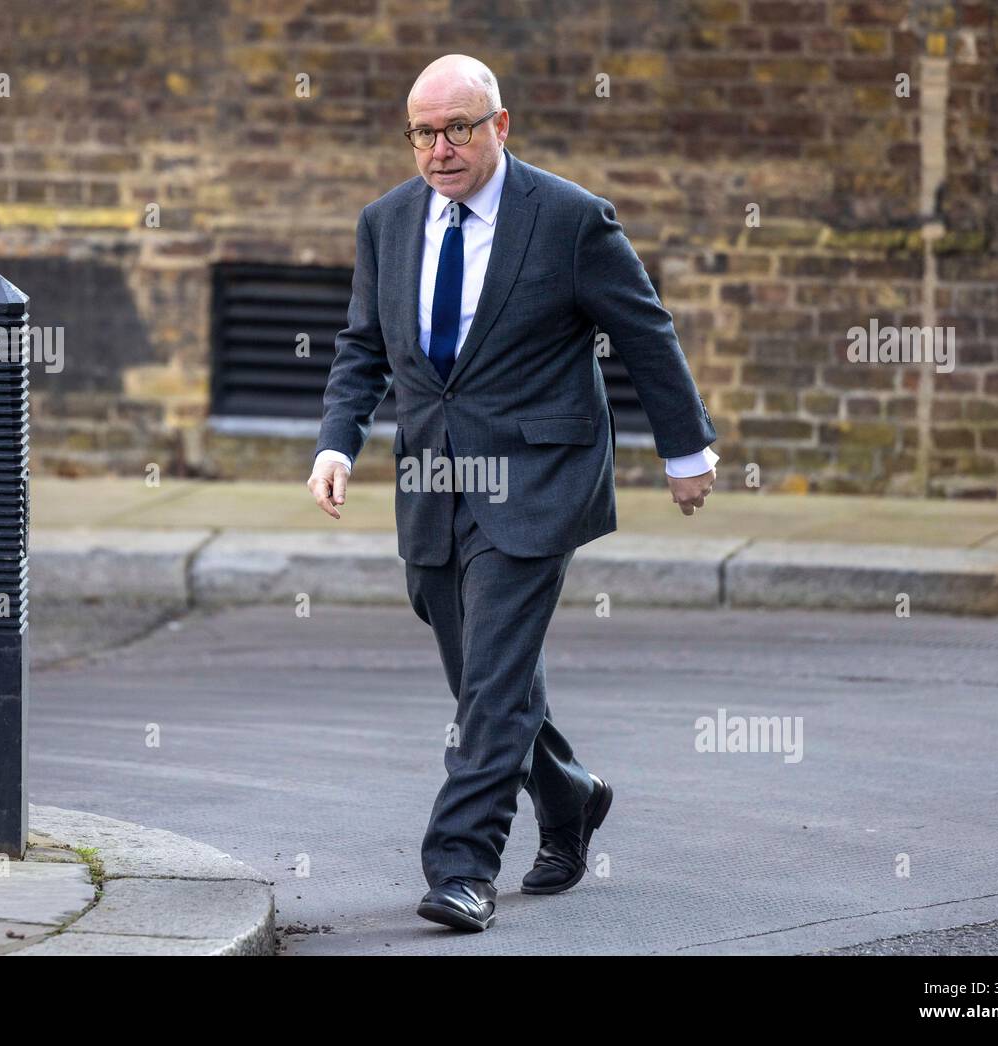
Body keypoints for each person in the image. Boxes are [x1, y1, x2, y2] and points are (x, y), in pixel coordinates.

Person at [307, 54, 718, 932]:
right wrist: (336, 444)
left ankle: (462, 867)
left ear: (501, 125)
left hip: (538, 478)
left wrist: (686, 450)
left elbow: (643, 330)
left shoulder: (567, 219)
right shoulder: (386, 222)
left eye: (460, 127)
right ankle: (569, 795)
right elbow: (362, 347)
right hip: (432, 480)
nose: (441, 148)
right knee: (478, 674)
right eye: (424, 131)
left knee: (491, 683)